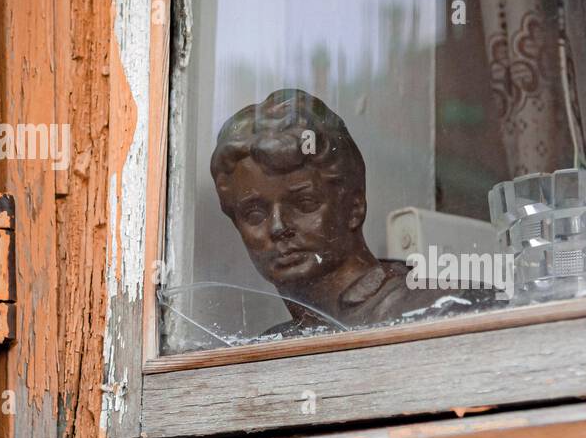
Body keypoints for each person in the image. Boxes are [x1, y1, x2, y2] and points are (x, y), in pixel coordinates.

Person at [211, 88, 494, 336]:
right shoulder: (260, 353)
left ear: (354, 207)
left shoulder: (443, 308)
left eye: (304, 203)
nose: (278, 226)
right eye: (254, 215)